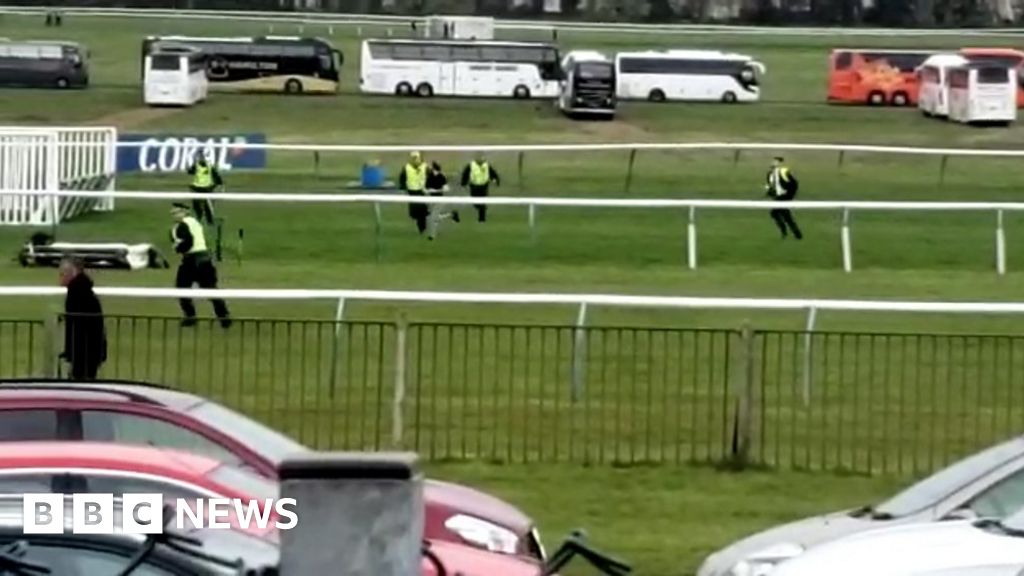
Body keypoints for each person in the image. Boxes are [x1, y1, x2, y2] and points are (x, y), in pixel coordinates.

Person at [170, 203, 232, 328]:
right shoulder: (195, 222)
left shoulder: (182, 225)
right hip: (205, 259)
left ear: (184, 212)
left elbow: (188, 241)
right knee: (211, 289)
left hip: (192, 260)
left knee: (181, 288)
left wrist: (178, 248)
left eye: (176, 212)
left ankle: (190, 316)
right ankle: (224, 317)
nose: (174, 215)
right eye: (173, 213)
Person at [59, 257, 106, 380]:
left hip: (84, 352)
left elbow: (79, 326)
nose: (60, 278)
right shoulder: (82, 291)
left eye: (63, 273)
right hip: (87, 350)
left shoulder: (77, 293)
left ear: (73, 272)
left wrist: (73, 352)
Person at [765, 156, 803, 240]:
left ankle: (785, 232)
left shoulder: (783, 172)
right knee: (785, 215)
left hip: (784, 196)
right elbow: (769, 186)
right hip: (778, 197)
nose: (774, 163)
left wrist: (789, 195)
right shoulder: (769, 174)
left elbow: (794, 184)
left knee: (775, 213)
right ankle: (797, 234)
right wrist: (769, 192)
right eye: (773, 161)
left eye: (776, 162)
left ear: (780, 163)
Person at [460, 152, 500, 223]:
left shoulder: (486, 165)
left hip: (484, 186)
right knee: (475, 202)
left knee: (482, 202)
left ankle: (482, 219)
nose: (481, 159)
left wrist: (496, 180)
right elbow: (465, 173)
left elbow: (492, 173)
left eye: (482, 158)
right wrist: (463, 183)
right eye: (479, 158)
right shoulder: (471, 165)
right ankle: (481, 208)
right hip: (474, 186)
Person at [425, 161, 460, 240]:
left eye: (431, 168)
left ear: (434, 169)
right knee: (435, 217)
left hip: (440, 199)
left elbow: (446, 189)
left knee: (433, 218)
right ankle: (451, 215)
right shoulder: (429, 177)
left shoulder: (441, 177)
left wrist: (435, 190)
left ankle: (432, 236)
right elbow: (426, 189)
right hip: (431, 200)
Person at [186, 150, 223, 225]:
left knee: (207, 206)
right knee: (196, 205)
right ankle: (198, 219)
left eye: (202, 157)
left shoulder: (209, 166)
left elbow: (216, 175)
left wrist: (219, 184)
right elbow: (190, 172)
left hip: (207, 188)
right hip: (197, 188)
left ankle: (209, 221)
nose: (201, 159)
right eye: (200, 157)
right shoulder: (196, 165)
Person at [399, 151, 429, 235]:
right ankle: (421, 227)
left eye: (416, 158)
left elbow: (430, 176)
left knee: (422, 212)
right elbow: (402, 178)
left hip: (422, 191)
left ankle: (422, 229)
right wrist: (403, 188)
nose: (415, 159)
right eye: (413, 158)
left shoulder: (425, 167)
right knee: (415, 213)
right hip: (411, 191)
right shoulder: (406, 167)